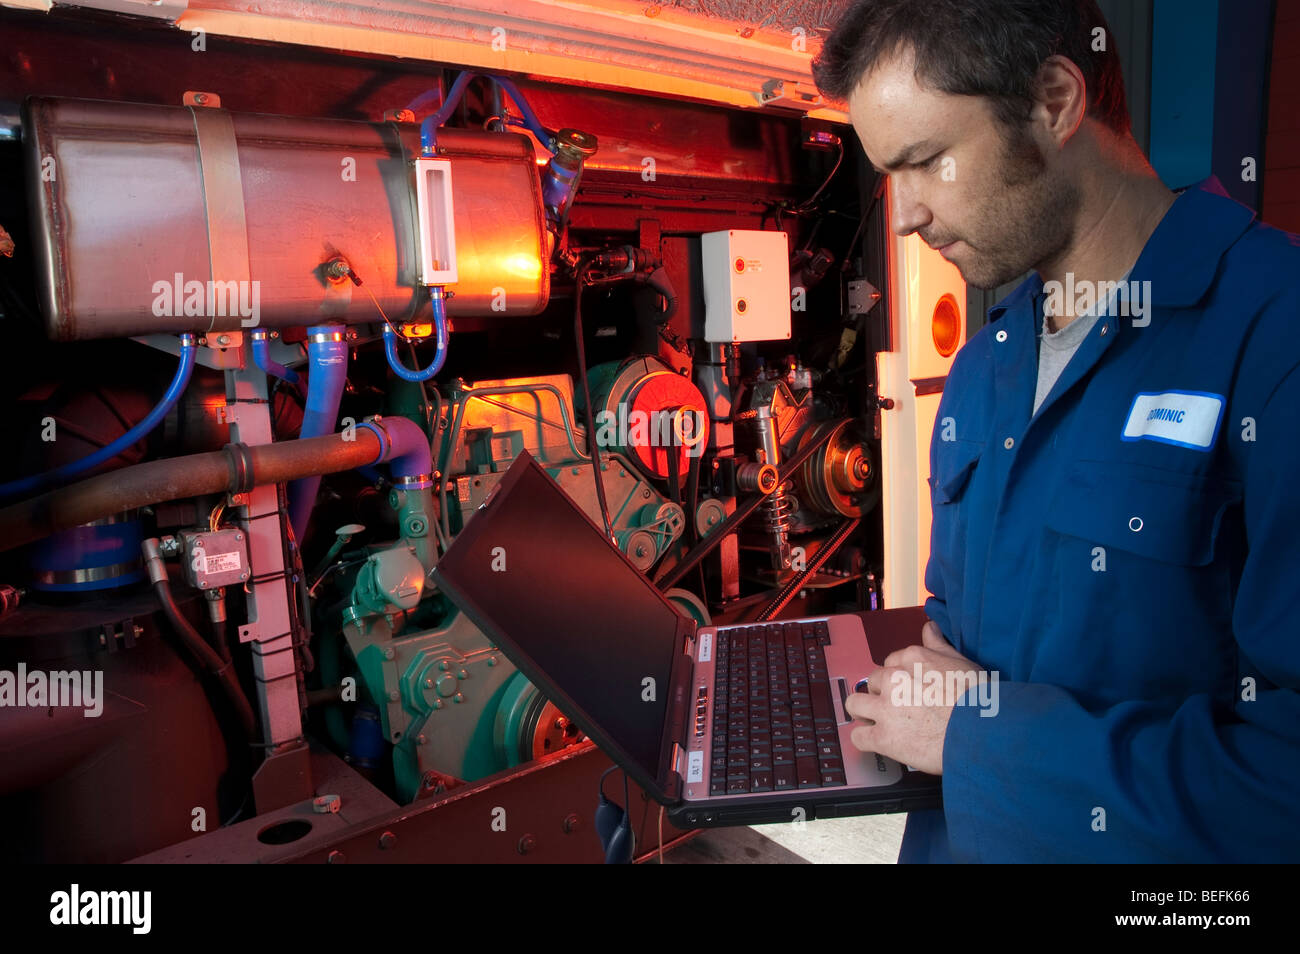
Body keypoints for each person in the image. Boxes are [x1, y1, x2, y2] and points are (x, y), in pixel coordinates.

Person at [812, 0, 1300, 862]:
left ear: (1054, 102)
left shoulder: (1274, 340)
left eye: (927, 162)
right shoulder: (982, 370)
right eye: (891, 174)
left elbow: (1283, 787)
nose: (904, 217)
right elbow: (961, 651)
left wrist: (975, 738)